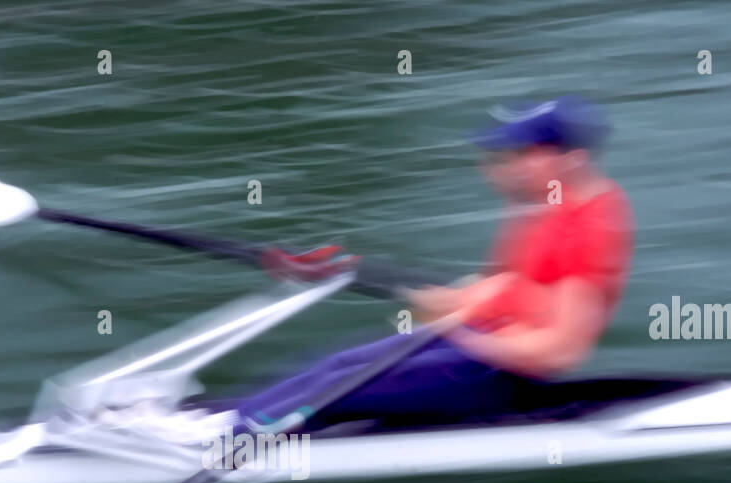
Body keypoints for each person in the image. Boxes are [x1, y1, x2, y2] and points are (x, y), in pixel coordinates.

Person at [236, 96, 637, 433]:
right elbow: (517, 283)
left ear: (571, 159)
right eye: (498, 156)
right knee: (337, 363)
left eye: (518, 155)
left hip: (495, 375)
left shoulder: (590, 229)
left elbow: (559, 353)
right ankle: (230, 422)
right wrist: (456, 301)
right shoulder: (548, 201)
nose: (497, 166)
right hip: (479, 342)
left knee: (338, 386)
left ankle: (237, 437)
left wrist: (463, 335)